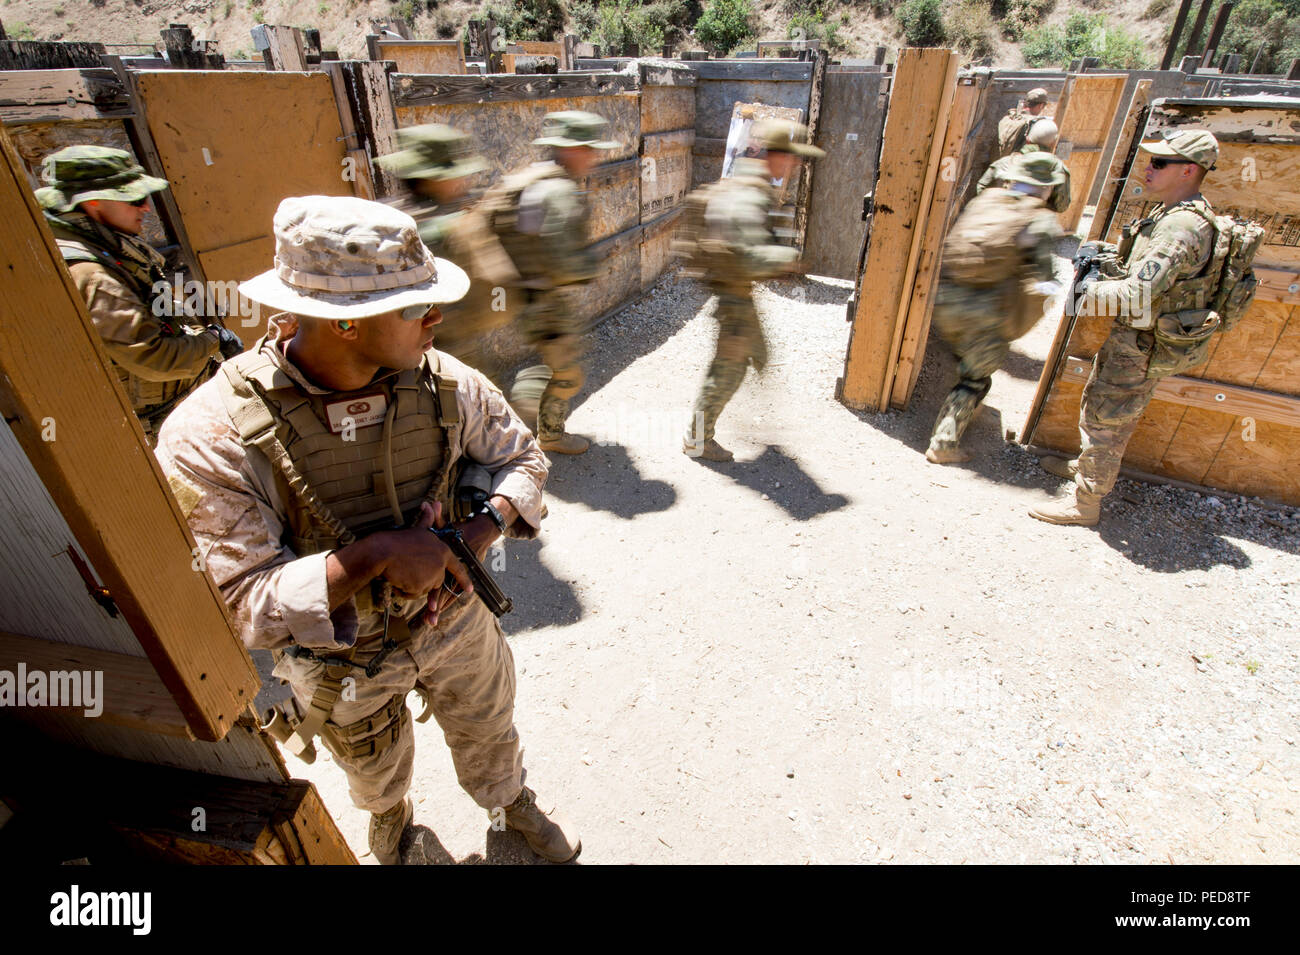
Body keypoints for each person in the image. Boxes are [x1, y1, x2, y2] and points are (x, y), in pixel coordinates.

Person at [155, 195, 579, 865]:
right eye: (416, 306)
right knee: (375, 773)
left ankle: (507, 801)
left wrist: (473, 536)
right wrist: (378, 555)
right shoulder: (211, 435)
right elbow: (241, 605)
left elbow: (521, 456)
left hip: (454, 623)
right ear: (346, 320)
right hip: (341, 662)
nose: (437, 317)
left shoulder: (445, 381)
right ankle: (393, 824)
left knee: (490, 728)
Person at [1030, 130, 1225, 527]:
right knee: (1103, 407)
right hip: (1139, 335)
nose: (1148, 169)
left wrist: (1088, 289)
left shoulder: (1182, 225)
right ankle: (1089, 469)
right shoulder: (1172, 213)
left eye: (1159, 163)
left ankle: (1085, 503)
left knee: (1109, 417)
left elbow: (1141, 290)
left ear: (1188, 170)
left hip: (1144, 340)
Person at [35, 145, 242, 443]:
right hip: (162, 422)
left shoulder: (101, 243)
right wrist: (212, 341)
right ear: (92, 202)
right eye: (134, 199)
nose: (146, 207)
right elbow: (154, 357)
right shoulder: (93, 274)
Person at [681, 119, 824, 462]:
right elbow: (746, 255)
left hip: (734, 290)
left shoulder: (746, 183)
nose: (797, 165)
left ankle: (710, 430)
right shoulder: (749, 194)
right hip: (732, 292)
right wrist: (787, 259)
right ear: (778, 156)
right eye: (793, 158)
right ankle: (697, 440)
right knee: (729, 367)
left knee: (753, 357)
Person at [483, 111, 619, 455]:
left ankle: (533, 423)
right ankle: (541, 430)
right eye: (589, 148)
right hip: (546, 299)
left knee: (557, 363)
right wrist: (593, 264)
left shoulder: (538, 181)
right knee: (568, 372)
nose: (594, 157)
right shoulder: (559, 191)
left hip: (531, 294)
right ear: (570, 150)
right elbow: (562, 262)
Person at [926, 153, 1064, 464]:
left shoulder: (986, 199)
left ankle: (959, 407)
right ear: (1048, 188)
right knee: (976, 380)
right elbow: (1044, 278)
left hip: (947, 301)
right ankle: (944, 444)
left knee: (965, 357)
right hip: (986, 312)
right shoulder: (1039, 218)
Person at [375, 124, 520, 382]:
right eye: (455, 174)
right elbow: (493, 293)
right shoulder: (447, 227)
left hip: (400, 353)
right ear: (432, 177)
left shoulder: (389, 218)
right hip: (448, 348)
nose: (462, 181)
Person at [978, 119, 1072, 215]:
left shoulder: (1005, 162)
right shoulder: (1058, 170)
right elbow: (1061, 206)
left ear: (1027, 139)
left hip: (999, 217)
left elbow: (981, 187)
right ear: (1053, 143)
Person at [997, 87, 1051, 157]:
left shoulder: (1011, 116)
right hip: (1016, 163)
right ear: (1041, 106)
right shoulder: (1034, 123)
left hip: (999, 161)